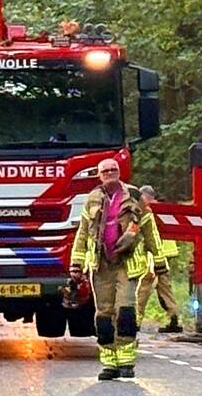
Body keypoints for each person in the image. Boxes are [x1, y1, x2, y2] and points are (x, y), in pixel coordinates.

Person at [68, 157, 163, 379]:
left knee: (126, 311)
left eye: (113, 170)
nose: (110, 173)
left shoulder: (135, 197)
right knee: (104, 314)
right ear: (99, 175)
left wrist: (159, 262)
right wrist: (76, 264)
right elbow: (82, 233)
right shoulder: (92, 199)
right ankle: (109, 362)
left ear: (119, 172)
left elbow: (150, 230)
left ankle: (126, 360)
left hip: (127, 264)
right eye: (105, 171)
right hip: (101, 266)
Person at [135, 185, 183, 334]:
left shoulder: (145, 210)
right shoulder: (164, 210)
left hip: (153, 254)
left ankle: (135, 320)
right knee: (164, 287)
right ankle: (174, 317)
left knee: (143, 286)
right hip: (167, 252)